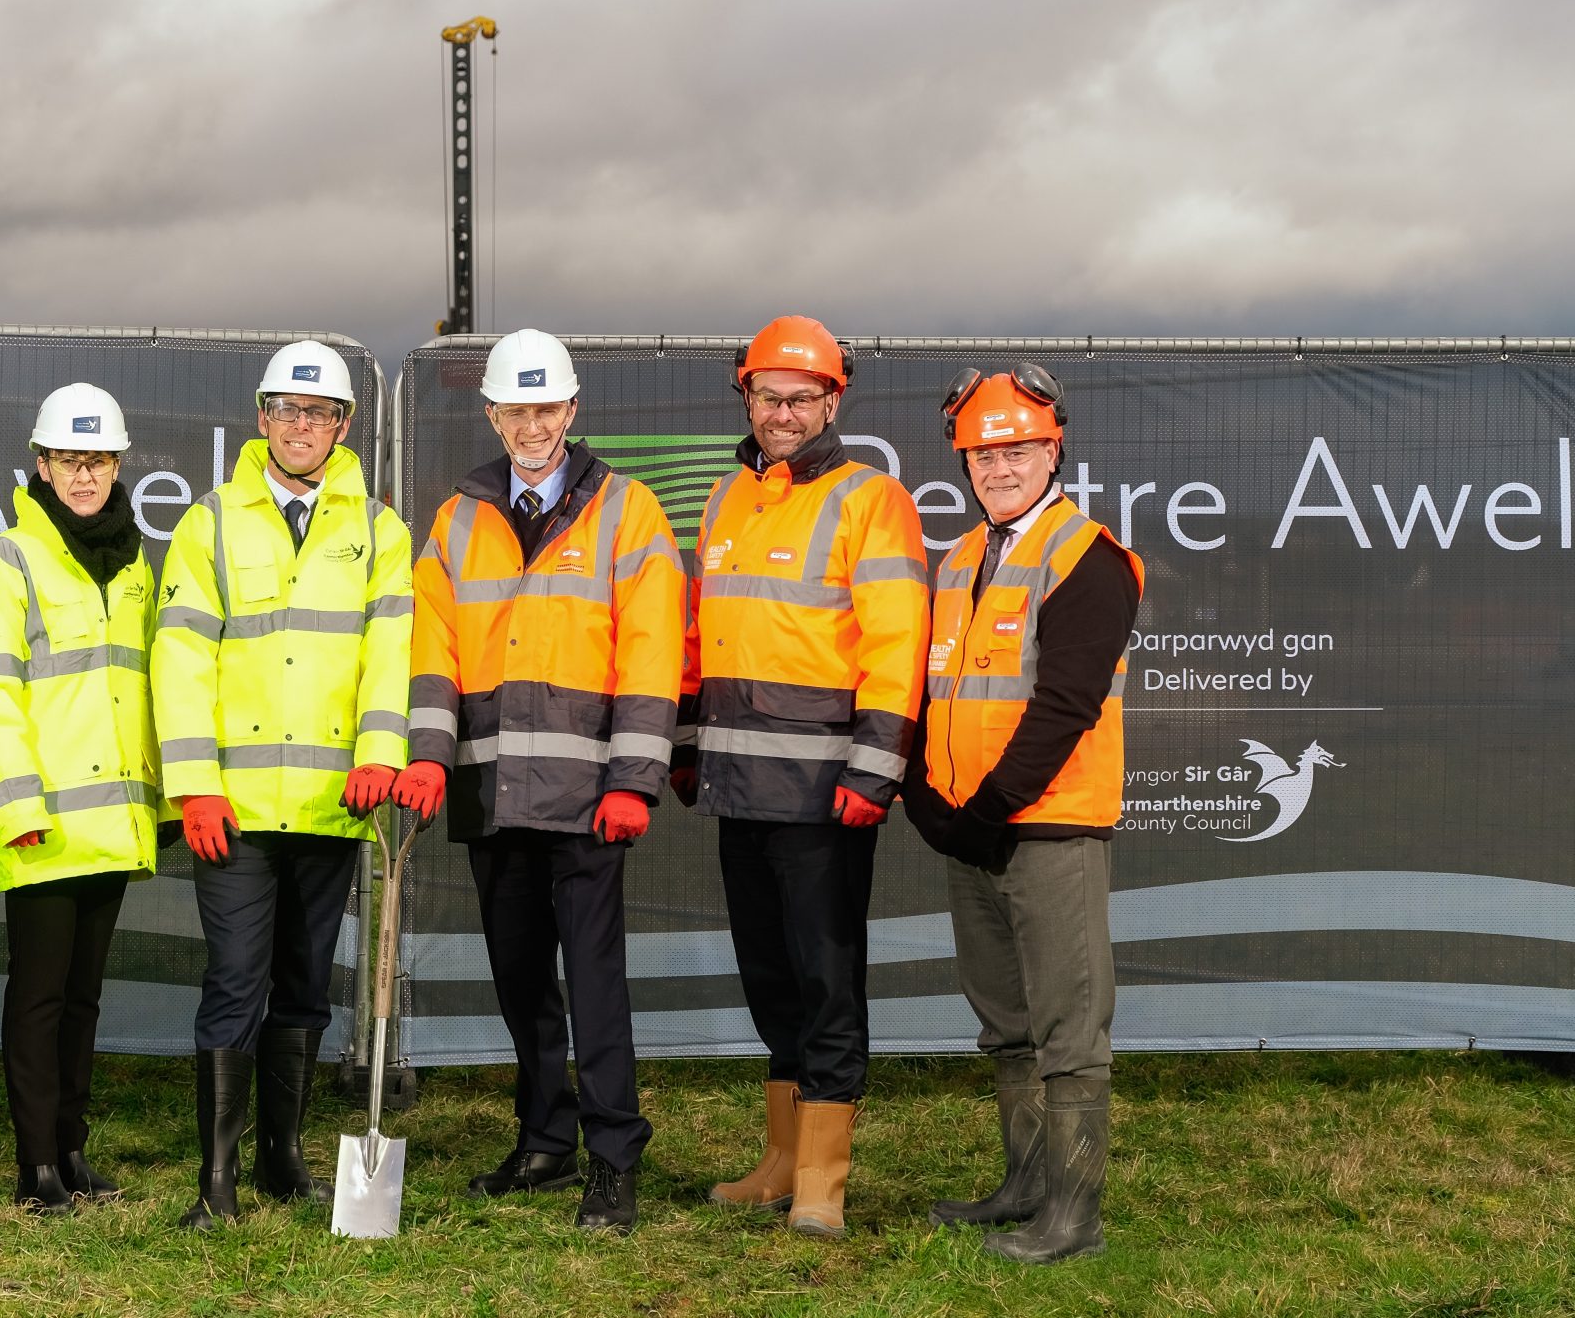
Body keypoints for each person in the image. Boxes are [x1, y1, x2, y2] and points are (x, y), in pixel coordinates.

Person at [397, 328, 684, 1232]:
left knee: (595, 983)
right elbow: (432, 654)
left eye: (546, 406)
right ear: (492, 414)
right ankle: (545, 1139)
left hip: (591, 799)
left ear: (573, 409)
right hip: (490, 791)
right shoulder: (457, 518)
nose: (532, 424)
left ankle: (612, 1157)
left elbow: (650, 652)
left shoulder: (627, 513)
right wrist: (428, 760)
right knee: (521, 978)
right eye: (515, 408)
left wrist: (634, 778)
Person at [673, 316, 928, 1241]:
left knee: (826, 979)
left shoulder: (872, 500)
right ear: (746, 397)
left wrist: (875, 770)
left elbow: (899, 648)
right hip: (740, 787)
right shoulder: (723, 500)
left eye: (801, 398)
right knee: (769, 975)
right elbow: (702, 633)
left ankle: (824, 1174)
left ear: (833, 401)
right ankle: (781, 1159)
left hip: (827, 794)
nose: (783, 413)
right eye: (768, 396)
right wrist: (689, 743)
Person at [151, 340, 413, 1230]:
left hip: (333, 803)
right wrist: (193, 784)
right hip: (234, 809)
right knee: (235, 979)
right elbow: (180, 653)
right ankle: (215, 1179)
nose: (302, 426)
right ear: (261, 418)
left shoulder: (378, 530)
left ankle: (282, 1154)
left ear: (345, 425)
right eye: (286, 410)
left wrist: (380, 750)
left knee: (305, 983)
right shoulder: (210, 522)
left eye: (320, 413)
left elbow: (389, 654)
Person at [905, 364, 1142, 1263]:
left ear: (1053, 449)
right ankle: (1026, 1186)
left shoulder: (1090, 557)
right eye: (982, 453)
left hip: (1047, 827)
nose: (998, 467)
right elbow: (938, 691)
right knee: (1003, 1017)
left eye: (1017, 449)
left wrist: (989, 810)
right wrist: (930, 800)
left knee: (1068, 1027)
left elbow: (1065, 704)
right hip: (971, 830)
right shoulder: (961, 557)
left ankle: (1073, 1220)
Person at [0, 384, 160, 1213]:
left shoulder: (133, 559)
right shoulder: (8, 560)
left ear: (116, 465)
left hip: (110, 818)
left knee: (83, 995)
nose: (85, 475)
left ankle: (73, 1151)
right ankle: (34, 1164)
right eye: (71, 461)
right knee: (37, 994)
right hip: (41, 823)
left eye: (99, 460)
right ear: (41, 465)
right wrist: (18, 807)